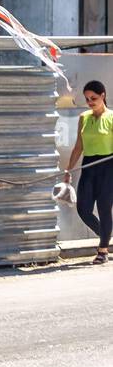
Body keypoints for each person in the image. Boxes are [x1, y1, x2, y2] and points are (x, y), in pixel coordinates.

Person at [65, 80, 113, 263]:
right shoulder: (84, 117)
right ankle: (106, 235)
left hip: (108, 165)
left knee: (103, 207)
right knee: (83, 208)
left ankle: (103, 250)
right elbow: (78, 146)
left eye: (93, 98)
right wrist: (68, 169)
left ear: (103, 96)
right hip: (89, 165)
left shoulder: (111, 117)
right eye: (87, 99)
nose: (90, 102)